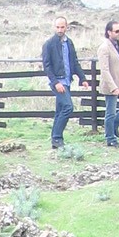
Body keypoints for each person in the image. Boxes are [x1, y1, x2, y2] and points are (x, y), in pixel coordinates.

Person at [42, 16, 88, 149]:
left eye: (62, 27)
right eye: (57, 27)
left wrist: (82, 78)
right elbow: (47, 66)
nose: (60, 30)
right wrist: (56, 82)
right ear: (54, 27)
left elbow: (74, 62)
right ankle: (56, 137)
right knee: (68, 107)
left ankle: (56, 140)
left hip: (67, 80)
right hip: (58, 81)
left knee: (60, 110)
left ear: (66, 27)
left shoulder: (69, 43)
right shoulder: (49, 44)